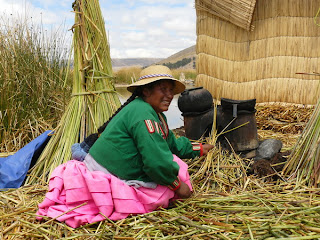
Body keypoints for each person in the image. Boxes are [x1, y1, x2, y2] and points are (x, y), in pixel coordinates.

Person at [36, 65, 214, 228]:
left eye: (171, 90)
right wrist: (177, 186)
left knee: (174, 163)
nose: (169, 95)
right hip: (104, 171)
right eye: (163, 89)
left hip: (108, 163)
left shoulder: (155, 114)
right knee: (165, 189)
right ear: (146, 91)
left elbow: (171, 144)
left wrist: (198, 149)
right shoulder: (143, 114)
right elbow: (155, 164)